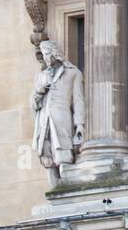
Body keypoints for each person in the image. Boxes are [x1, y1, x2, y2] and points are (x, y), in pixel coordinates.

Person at [30, 39, 86, 185]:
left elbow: (78, 101)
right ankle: (54, 189)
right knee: (46, 155)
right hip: (44, 119)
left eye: (48, 53)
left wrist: (79, 124)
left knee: (63, 153)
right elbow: (33, 104)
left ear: (55, 53)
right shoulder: (41, 76)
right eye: (44, 54)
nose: (46, 58)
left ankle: (66, 187)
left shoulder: (73, 73)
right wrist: (40, 91)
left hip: (62, 118)